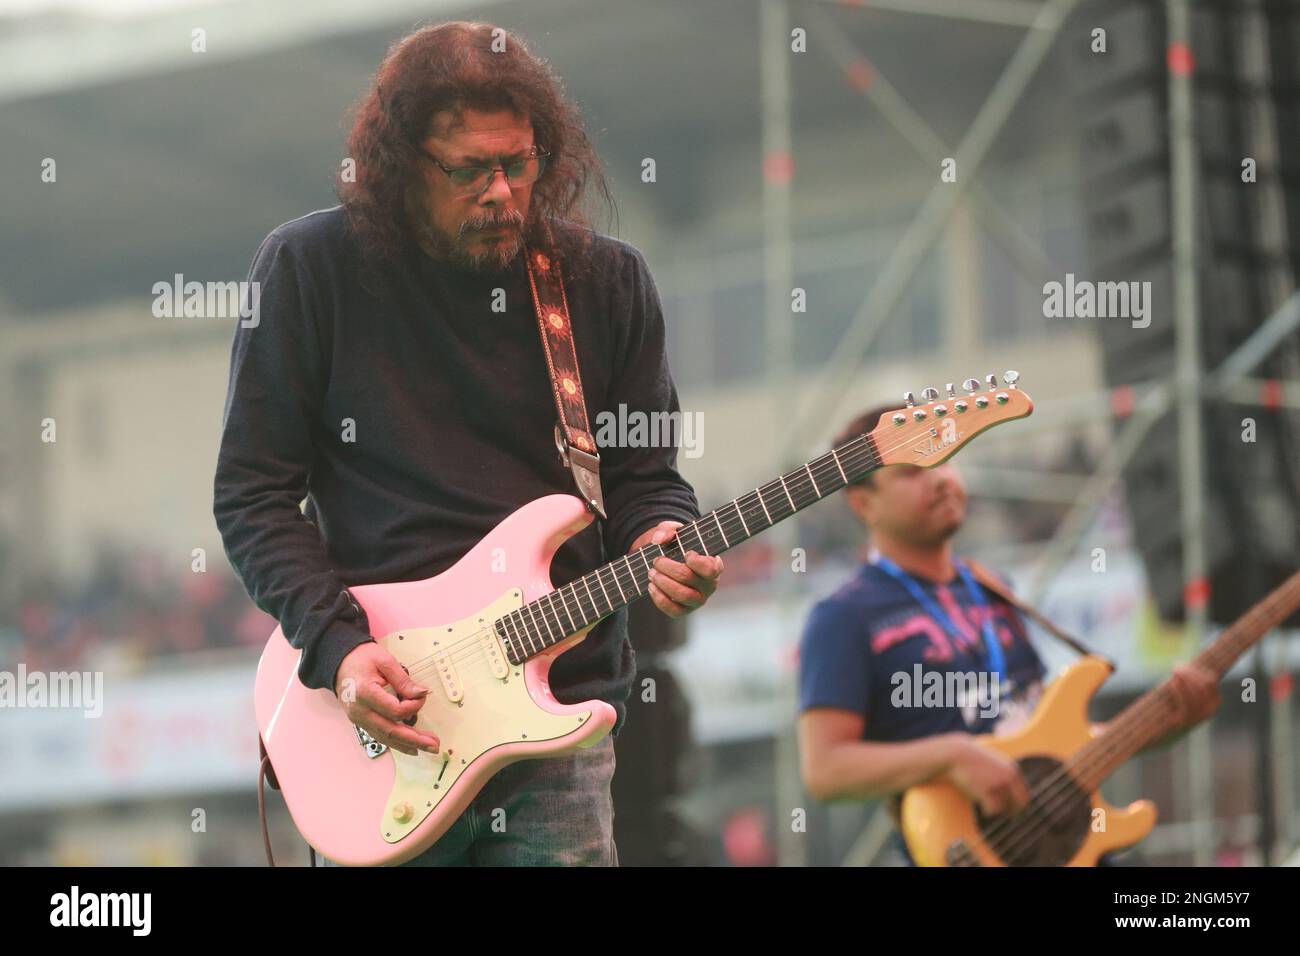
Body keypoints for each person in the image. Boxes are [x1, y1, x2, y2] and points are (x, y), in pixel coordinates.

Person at [213, 21, 722, 867]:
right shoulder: (310, 269)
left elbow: (646, 477)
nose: (501, 193)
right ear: (400, 167)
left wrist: (660, 537)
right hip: (386, 715)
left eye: (518, 164)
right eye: (467, 170)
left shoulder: (604, 283)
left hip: (555, 717)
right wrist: (340, 649)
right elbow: (253, 494)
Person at [796, 404, 1220, 865]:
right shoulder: (842, 616)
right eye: (913, 472)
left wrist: (1161, 725)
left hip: (1064, 846)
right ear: (863, 502)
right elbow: (826, 771)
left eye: (944, 460)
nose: (940, 478)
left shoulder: (996, 589)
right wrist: (953, 755)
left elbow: (1043, 740)